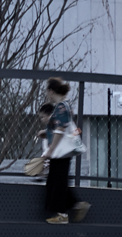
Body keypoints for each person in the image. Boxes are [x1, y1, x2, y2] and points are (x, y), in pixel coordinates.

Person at [38, 78, 89, 224]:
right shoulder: (64, 106)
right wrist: (45, 133)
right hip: (62, 153)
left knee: (58, 183)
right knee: (57, 181)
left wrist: (50, 150)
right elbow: (60, 128)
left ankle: (63, 215)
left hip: (60, 153)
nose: (47, 94)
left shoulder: (61, 107)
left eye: (47, 91)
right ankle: (77, 205)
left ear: (51, 91)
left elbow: (60, 131)